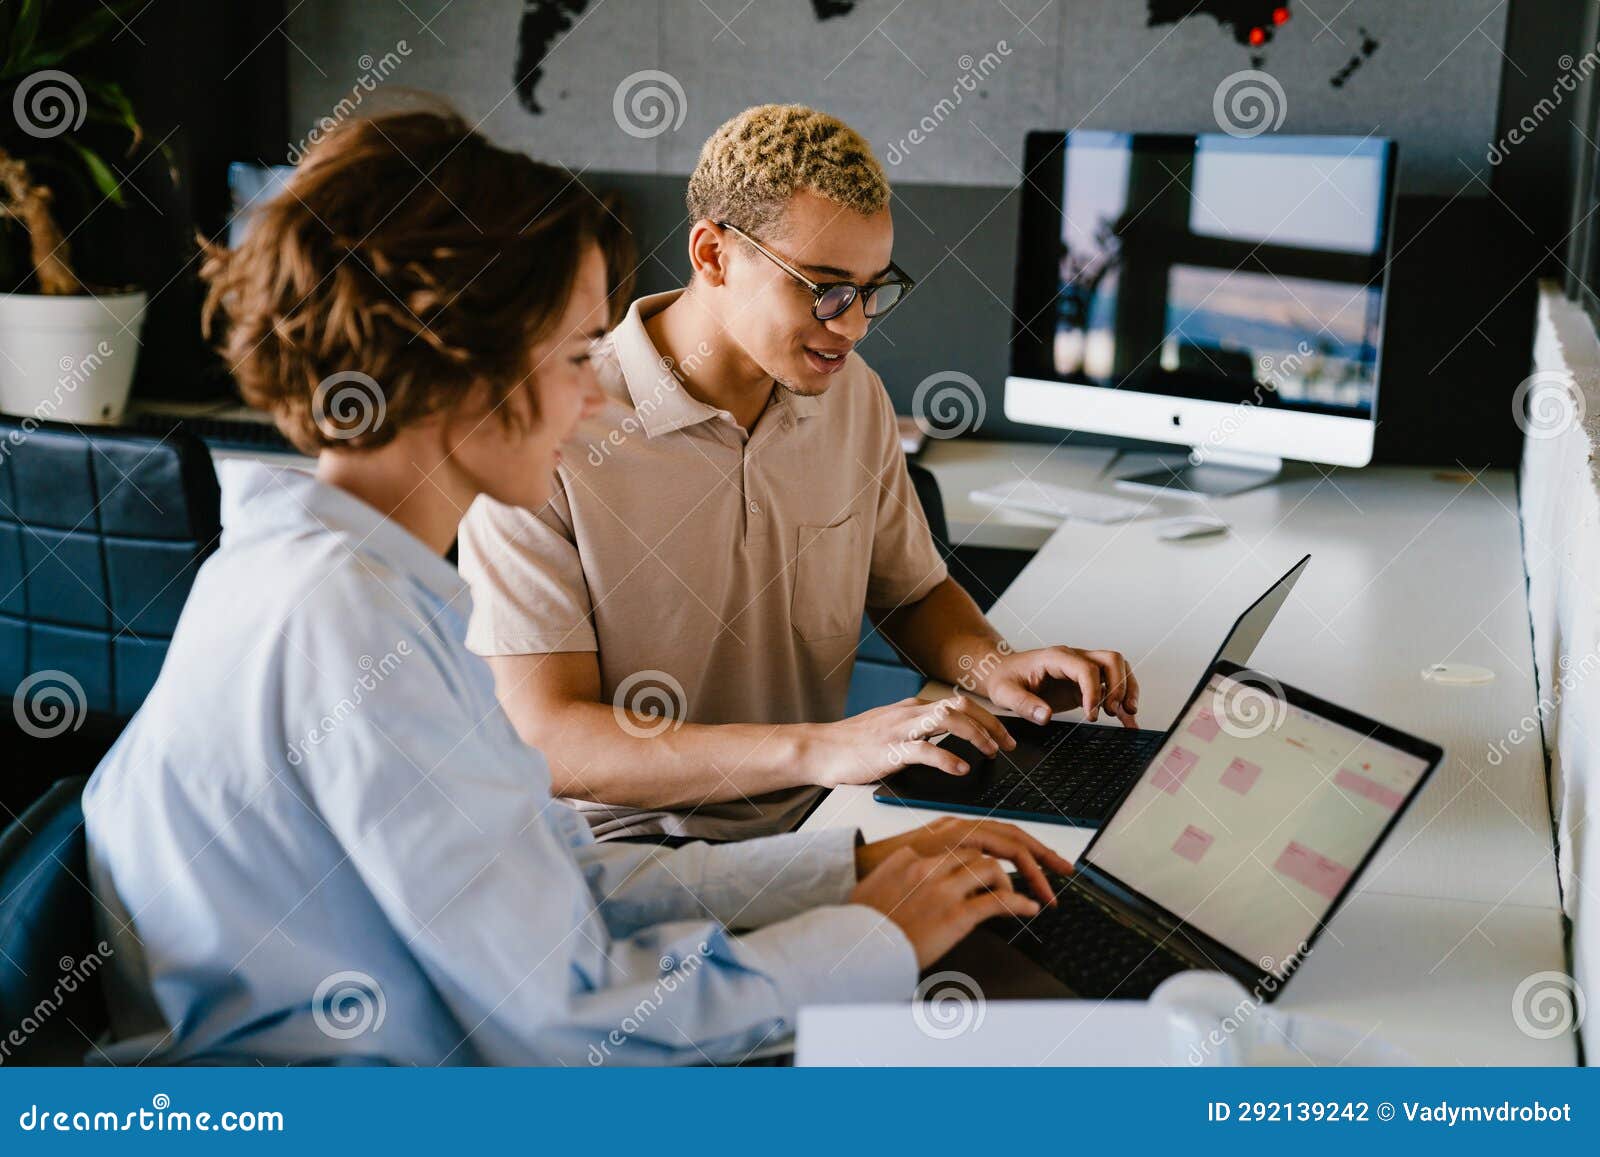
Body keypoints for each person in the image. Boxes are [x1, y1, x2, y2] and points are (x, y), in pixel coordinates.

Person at [81, 108, 1072, 1066]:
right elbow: (564, 1025)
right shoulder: (344, 625)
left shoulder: (349, 578)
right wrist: (870, 937)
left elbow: (551, 878)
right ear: (453, 363)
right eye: (572, 357)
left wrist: (848, 867)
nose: (599, 398)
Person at [457, 104, 1141, 842]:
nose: (852, 323)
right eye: (821, 286)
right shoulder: (550, 427)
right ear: (714, 255)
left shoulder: (854, 396)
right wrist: (822, 747)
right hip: (630, 850)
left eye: (871, 288)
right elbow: (549, 737)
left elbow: (909, 592)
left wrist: (995, 663)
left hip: (819, 812)